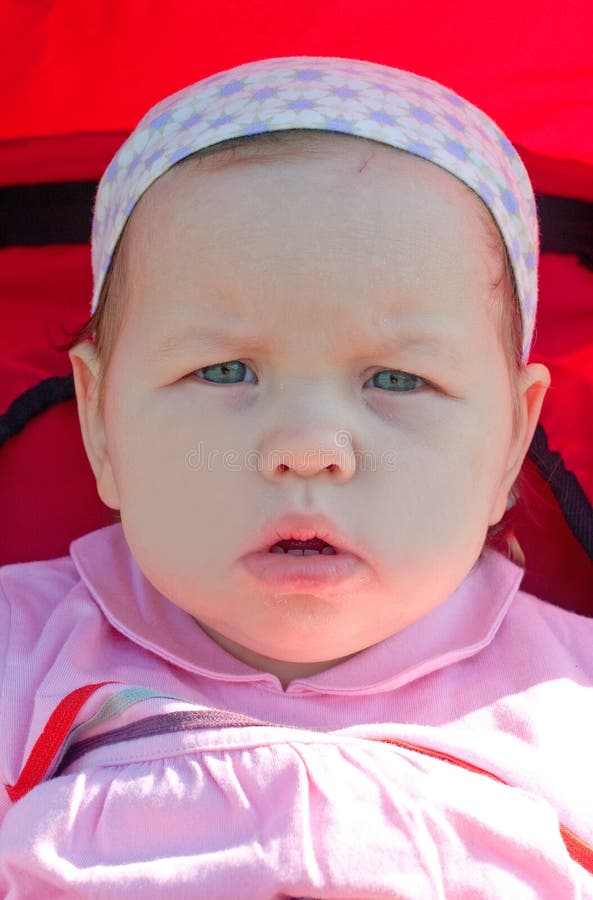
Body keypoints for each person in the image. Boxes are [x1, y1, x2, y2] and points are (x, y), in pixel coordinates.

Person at [0, 56, 591, 898]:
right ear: (101, 422)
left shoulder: (570, 704)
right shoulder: (23, 659)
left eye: (396, 379)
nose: (308, 449)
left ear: (508, 442)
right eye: (225, 370)